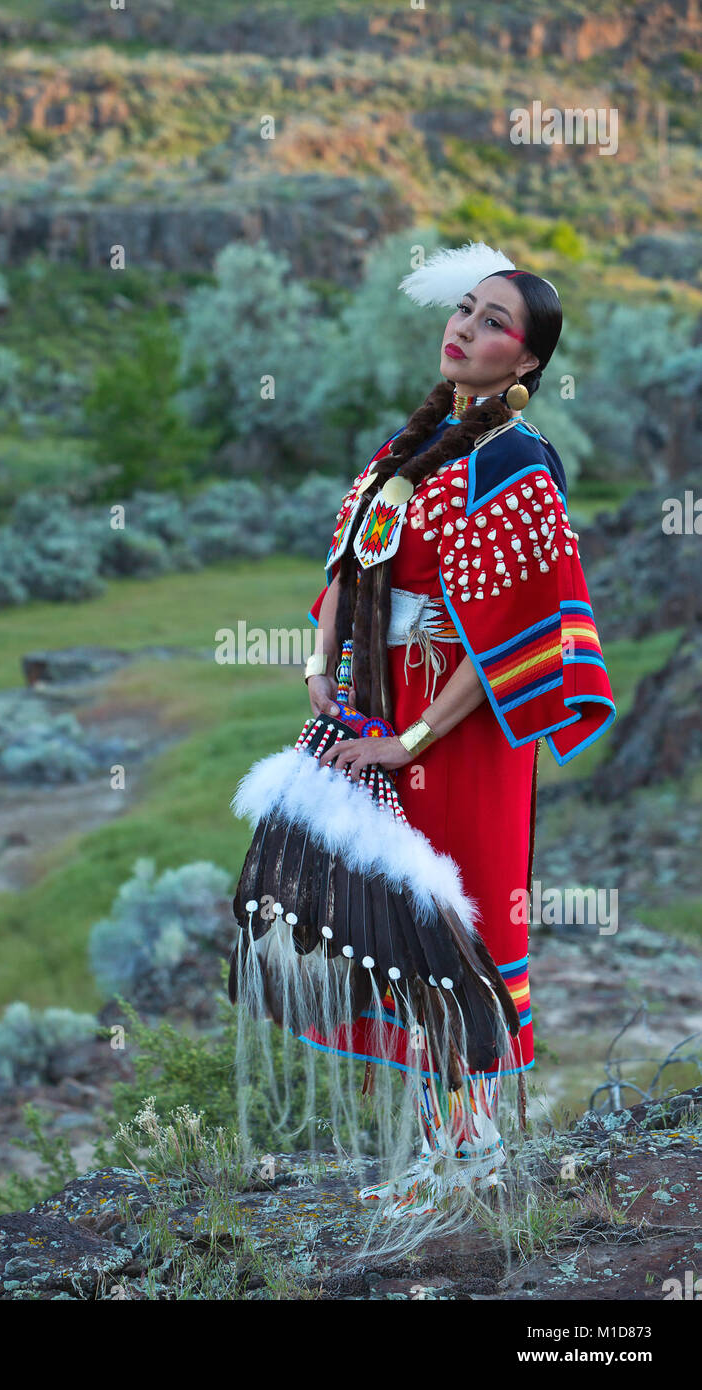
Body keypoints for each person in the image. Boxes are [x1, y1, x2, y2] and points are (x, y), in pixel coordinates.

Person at [295, 244, 616, 1220]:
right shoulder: (406, 450)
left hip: (455, 733)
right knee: (387, 914)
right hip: (373, 710)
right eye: (463, 310)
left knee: (455, 911)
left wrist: (414, 737)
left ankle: (466, 1148)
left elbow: (517, 625)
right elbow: (349, 569)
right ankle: (420, 1145)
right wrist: (321, 669)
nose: (464, 329)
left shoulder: (518, 462)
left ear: (522, 364)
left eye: (490, 323)